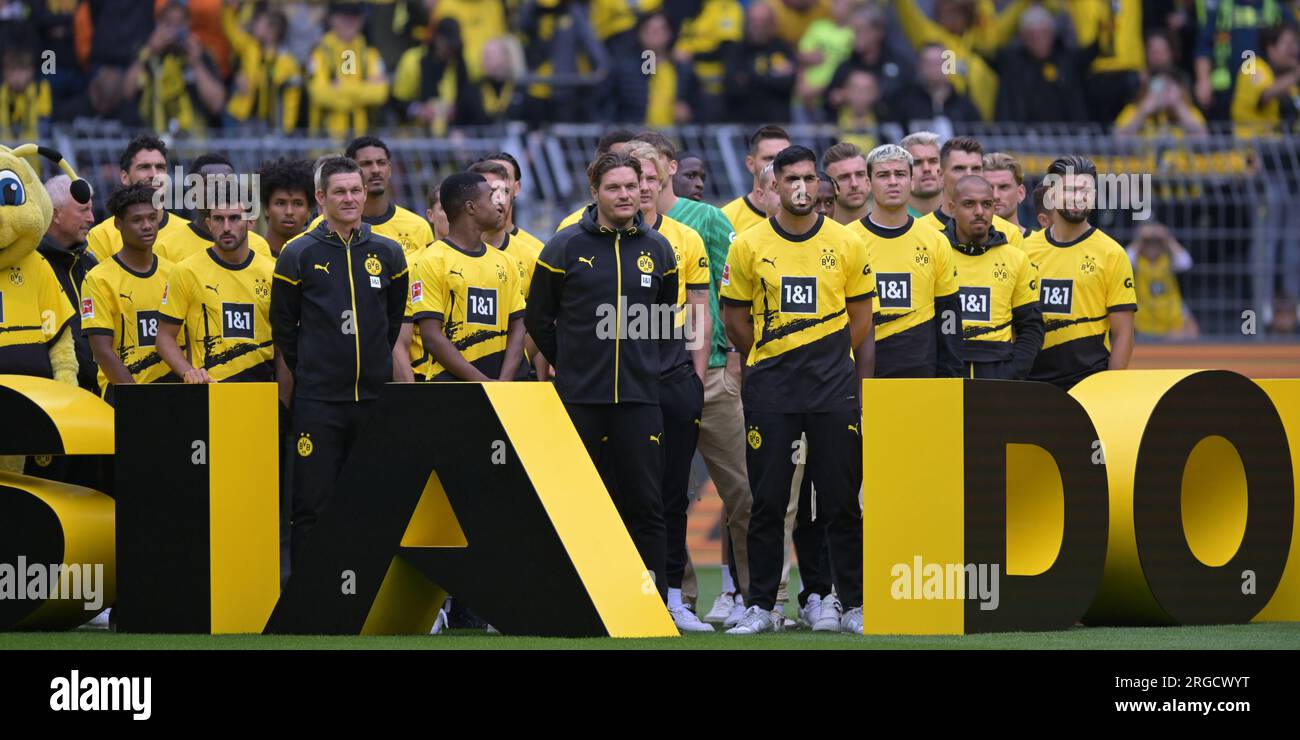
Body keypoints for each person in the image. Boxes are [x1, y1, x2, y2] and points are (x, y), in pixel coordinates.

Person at [720, 145, 874, 635]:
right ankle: (762, 606)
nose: (802, 188)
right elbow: (734, 319)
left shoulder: (847, 242)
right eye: (792, 180)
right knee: (767, 502)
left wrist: (827, 359)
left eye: (809, 178)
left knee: (841, 501)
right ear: (775, 184)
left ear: (820, 184)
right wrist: (771, 357)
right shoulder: (748, 244)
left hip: (832, 391)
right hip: (772, 391)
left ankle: (853, 604)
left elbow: (861, 318)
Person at [525, 152, 678, 602]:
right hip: (579, 400)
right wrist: (571, 363)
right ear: (594, 192)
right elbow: (539, 319)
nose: (626, 195)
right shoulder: (563, 247)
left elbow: (665, 318)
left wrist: (645, 366)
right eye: (614, 187)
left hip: (639, 400)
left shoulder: (659, 249)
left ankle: (651, 602)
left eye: (632, 186)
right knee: (573, 502)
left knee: (647, 505)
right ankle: (567, 601)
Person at [271, 156, 409, 569]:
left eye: (355, 190)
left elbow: (392, 320)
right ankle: (308, 596)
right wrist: (314, 368)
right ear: (321, 197)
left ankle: (360, 593)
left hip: (373, 400)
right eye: (339, 192)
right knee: (311, 505)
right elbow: (284, 326)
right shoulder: (298, 254)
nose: (349, 199)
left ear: (365, 194)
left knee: (370, 502)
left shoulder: (388, 253)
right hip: (319, 403)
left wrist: (373, 363)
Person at [621, 141, 713, 630]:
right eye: (634, 180)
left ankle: (673, 596)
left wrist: (696, 376)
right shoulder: (587, 235)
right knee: (622, 489)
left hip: (674, 376)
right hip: (619, 381)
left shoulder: (685, 239)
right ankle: (619, 591)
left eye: (650, 179)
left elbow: (698, 312)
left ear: (663, 182)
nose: (642, 189)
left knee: (673, 492)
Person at [848, 143, 961, 379]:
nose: (892, 181)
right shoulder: (847, 240)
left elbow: (948, 314)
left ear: (912, 181)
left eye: (900, 174)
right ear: (868, 183)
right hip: (862, 377)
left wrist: (948, 376)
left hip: (921, 376)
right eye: (883, 175)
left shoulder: (936, 241)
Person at [1024, 156, 1137, 389]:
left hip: (1089, 383)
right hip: (1032, 384)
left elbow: (1124, 333)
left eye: (1085, 190)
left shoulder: (1112, 254)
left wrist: (1110, 388)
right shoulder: (1024, 251)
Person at [410, 172, 526, 382]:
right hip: (453, 388)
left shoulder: (506, 262)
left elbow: (518, 327)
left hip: (504, 387)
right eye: (490, 197)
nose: (498, 202)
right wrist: (483, 383)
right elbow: (431, 337)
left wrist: (502, 384)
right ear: (471, 207)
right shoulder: (432, 261)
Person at [156, 204, 277, 384]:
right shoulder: (185, 272)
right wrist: (188, 371)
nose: (226, 227)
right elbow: (164, 337)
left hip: (261, 391)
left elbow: (283, 345)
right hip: (208, 390)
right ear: (209, 223)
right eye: (219, 219)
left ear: (250, 222)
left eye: (234, 218)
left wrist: (282, 397)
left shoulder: (272, 272)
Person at [82, 184, 180, 403]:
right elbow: (102, 351)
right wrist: (136, 399)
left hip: (175, 394)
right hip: (124, 395)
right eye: (137, 220)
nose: (147, 226)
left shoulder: (175, 273)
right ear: (118, 224)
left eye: (152, 218)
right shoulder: (99, 279)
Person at [943, 175, 1043, 378]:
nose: (979, 211)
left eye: (986, 204)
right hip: (945, 375)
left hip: (998, 377)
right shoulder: (936, 253)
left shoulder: (1015, 259)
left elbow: (1031, 327)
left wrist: (1011, 373)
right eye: (969, 204)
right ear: (952, 208)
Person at [124, 1, 227, 134]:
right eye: (169, 24)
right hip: (152, 138)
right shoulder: (145, 52)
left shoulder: (200, 54)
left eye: (179, 24)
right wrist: (149, 50)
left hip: (192, 141)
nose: (174, 30)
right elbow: (127, 92)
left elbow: (217, 104)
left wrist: (197, 64)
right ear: (158, 24)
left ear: (188, 24)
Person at [86, 134, 191, 264]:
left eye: (160, 167)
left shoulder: (188, 232)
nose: (154, 175)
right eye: (144, 167)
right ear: (124, 177)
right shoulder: (101, 236)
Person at [38, 174, 98, 395]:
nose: (92, 218)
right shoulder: (31, 266)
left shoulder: (91, 264)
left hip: (97, 393)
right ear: (55, 214)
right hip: (50, 395)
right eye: (83, 210)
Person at [157, 153, 275, 263]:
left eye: (227, 182)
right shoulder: (167, 248)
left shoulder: (257, 245)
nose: (220, 188)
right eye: (210, 183)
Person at [916, 136, 1024, 249]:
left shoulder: (1009, 234)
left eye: (976, 169)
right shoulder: (920, 231)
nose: (969, 175)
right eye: (959, 168)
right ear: (941, 175)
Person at [994, 6, 1094, 125]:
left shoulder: (1068, 61)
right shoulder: (1012, 64)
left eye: (1043, 33)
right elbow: (992, 43)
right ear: (1023, 38)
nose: (1038, 39)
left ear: (1052, 34)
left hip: (1068, 133)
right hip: (1023, 134)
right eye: (1032, 35)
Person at [306, 2, 389, 137]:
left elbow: (380, 94)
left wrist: (342, 87)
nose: (350, 22)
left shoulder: (370, 53)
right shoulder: (320, 53)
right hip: (327, 139)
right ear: (332, 19)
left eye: (354, 17)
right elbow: (319, 94)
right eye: (344, 17)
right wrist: (363, 88)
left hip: (363, 140)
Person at [221, 1, 303, 132]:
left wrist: (287, 128)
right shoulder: (250, 46)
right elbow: (232, 31)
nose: (254, 25)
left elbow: (291, 98)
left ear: (272, 30)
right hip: (241, 116)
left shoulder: (287, 62)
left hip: (268, 122)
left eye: (259, 23)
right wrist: (229, 9)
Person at [723, 2, 797, 123]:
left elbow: (788, 84)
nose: (759, 26)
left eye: (764, 21)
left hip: (776, 125)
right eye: (754, 21)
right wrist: (771, 77)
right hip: (742, 124)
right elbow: (732, 87)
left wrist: (749, 77)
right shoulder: (736, 50)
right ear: (746, 23)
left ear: (773, 23)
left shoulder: (783, 48)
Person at [1127, 221, 1200, 339]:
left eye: (1157, 243)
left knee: (1192, 328)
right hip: (1146, 314)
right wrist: (1140, 239)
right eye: (1148, 243)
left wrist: (1167, 238)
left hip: (1171, 310)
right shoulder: (1137, 261)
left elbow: (1186, 262)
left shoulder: (1168, 259)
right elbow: (1125, 259)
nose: (1152, 247)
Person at [886, 42, 982, 129]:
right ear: (919, 66)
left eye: (939, 63)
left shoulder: (964, 105)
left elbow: (979, 136)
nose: (934, 68)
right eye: (929, 63)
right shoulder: (904, 103)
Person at [722, 125, 790, 236]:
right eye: (769, 158)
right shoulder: (726, 220)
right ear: (751, 164)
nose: (777, 165)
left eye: (785, 159)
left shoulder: (807, 217)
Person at [258, 158, 315, 258]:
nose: (289, 212)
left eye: (297, 204)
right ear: (266, 208)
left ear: (309, 210)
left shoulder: (318, 259)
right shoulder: (250, 257)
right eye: (280, 203)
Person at [1, 43, 51, 140]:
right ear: (5, 73)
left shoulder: (40, 88)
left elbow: (44, 119)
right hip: (3, 146)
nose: (17, 77)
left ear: (31, 72)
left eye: (21, 71)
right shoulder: (2, 92)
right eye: (12, 71)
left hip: (34, 145)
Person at [982, 152, 1030, 238]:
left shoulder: (1041, 244)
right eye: (988, 187)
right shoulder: (966, 243)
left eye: (1003, 187)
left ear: (1020, 193)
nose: (995, 196)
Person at [822, 142, 870, 224]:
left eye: (860, 175)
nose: (854, 184)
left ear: (869, 180)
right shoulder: (816, 231)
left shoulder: (889, 228)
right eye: (844, 177)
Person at [900, 131, 943, 217]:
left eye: (933, 161)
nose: (926, 169)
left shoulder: (962, 218)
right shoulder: (888, 221)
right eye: (917, 163)